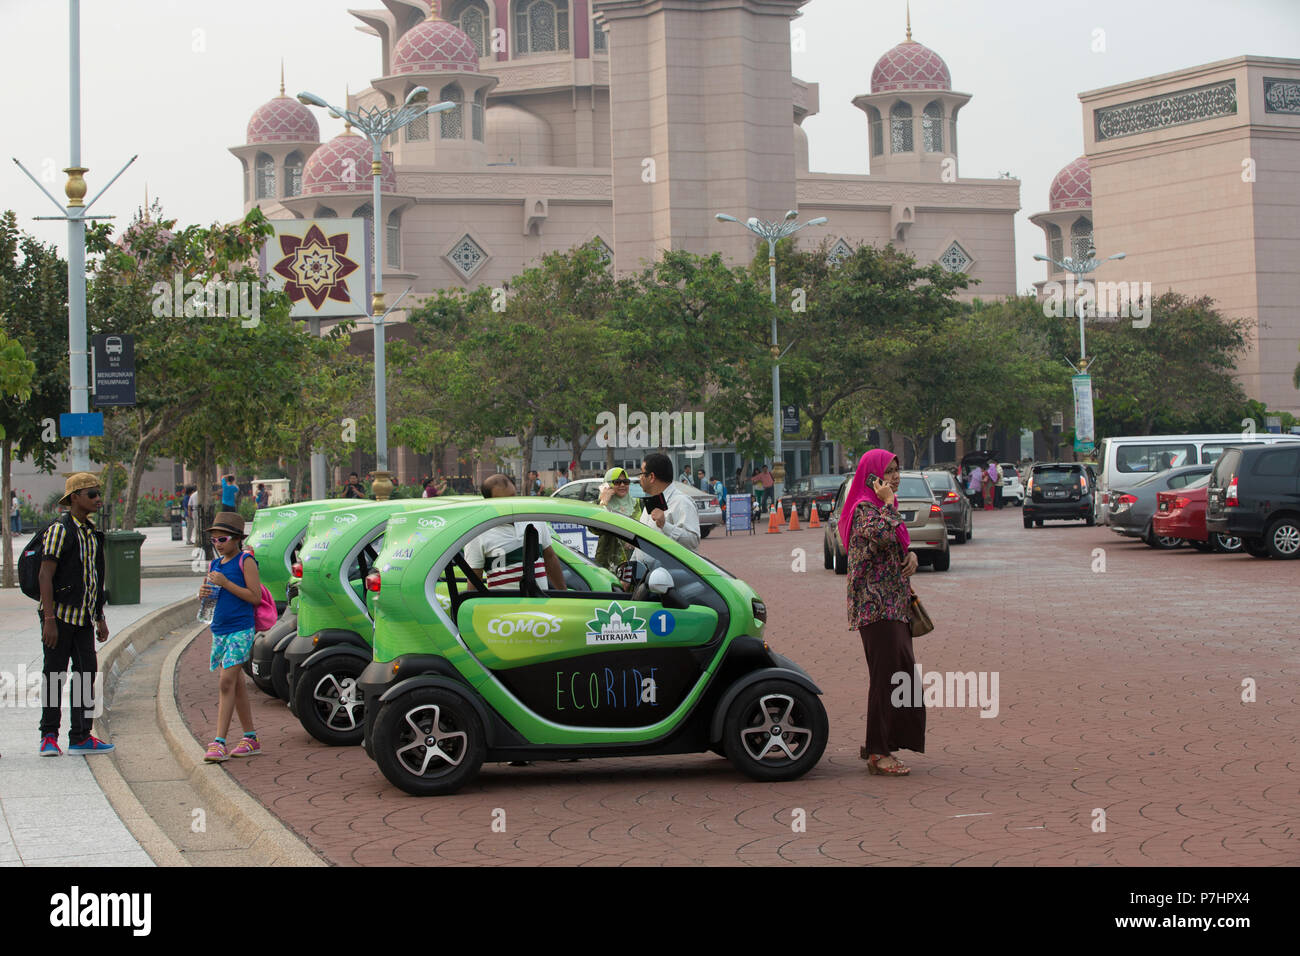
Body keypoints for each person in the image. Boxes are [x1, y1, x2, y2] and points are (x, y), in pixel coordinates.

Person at [840, 449, 923, 776]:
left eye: (897, 471)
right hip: (875, 608)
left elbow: (896, 543)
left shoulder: (880, 510)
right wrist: (887, 503)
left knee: (897, 676)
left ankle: (879, 743)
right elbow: (884, 533)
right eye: (888, 472)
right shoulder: (864, 509)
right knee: (888, 677)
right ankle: (878, 752)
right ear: (872, 477)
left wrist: (912, 555)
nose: (895, 478)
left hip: (893, 604)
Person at [35, 473, 114, 756]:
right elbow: (45, 573)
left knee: (85, 674)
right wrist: (49, 618)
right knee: (54, 675)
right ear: (75, 498)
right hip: (59, 618)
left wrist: (99, 616)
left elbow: (94, 577)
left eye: (97, 493)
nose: (97, 499)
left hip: (83, 619)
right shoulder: (60, 529)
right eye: (92, 494)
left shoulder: (91, 533)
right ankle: (48, 736)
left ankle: (80, 736)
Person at [197, 512, 263, 762]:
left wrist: (225, 583)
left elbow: (254, 597)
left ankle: (219, 742)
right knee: (234, 685)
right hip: (220, 630)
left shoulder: (245, 561)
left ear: (237, 539)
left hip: (240, 630)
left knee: (226, 682)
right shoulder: (215, 565)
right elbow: (211, 597)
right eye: (214, 540)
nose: (218, 544)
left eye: (222, 538)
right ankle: (250, 737)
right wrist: (203, 593)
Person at [464, 474, 567, 590]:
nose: (511, 503)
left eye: (513, 496)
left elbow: (550, 557)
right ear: (490, 501)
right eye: (503, 501)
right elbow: (474, 578)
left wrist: (563, 592)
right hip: (505, 607)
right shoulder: (478, 533)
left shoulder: (534, 519)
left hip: (541, 606)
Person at [637, 452, 700, 551]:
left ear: (652, 477)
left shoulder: (681, 501)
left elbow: (693, 542)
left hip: (672, 567)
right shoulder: (650, 502)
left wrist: (664, 525)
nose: (639, 478)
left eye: (641, 473)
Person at [594, 466, 643, 573]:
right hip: (608, 561)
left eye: (626, 482)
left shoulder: (637, 504)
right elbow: (595, 529)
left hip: (634, 559)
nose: (622, 485)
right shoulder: (599, 506)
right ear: (608, 484)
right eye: (617, 482)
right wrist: (604, 502)